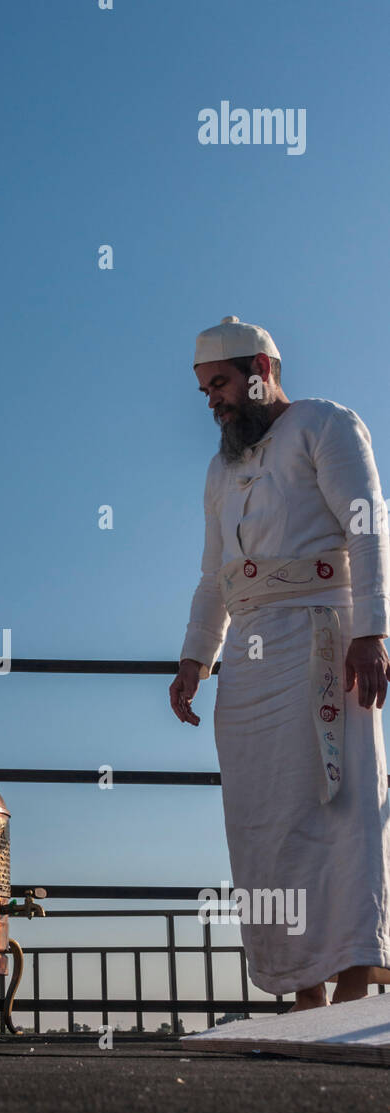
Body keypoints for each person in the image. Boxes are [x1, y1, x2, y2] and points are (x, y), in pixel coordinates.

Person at [170, 315, 390, 1010]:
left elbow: (367, 527)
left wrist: (372, 632)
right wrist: (193, 659)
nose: (214, 400)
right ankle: (302, 1002)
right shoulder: (220, 469)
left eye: (223, 383)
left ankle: (355, 992)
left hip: (325, 646)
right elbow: (215, 578)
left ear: (261, 369)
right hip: (249, 665)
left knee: (341, 814)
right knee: (264, 825)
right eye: (206, 389)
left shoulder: (328, 425)